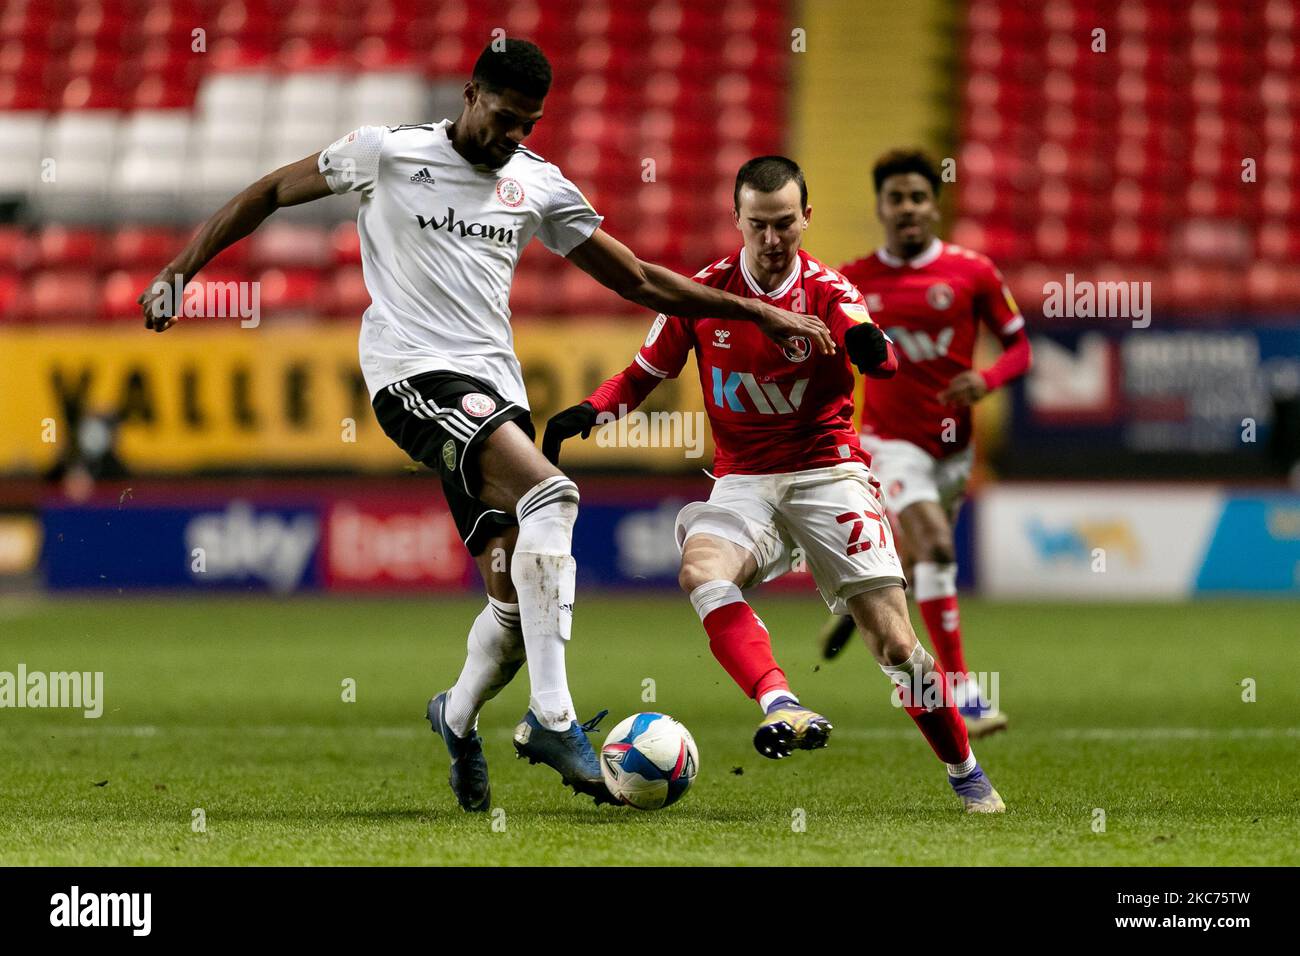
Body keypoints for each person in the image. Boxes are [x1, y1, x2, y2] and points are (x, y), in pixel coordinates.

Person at [137, 40, 832, 812]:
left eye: (529, 124)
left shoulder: (536, 184)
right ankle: (553, 717)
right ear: (471, 94)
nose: (515, 136)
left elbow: (636, 277)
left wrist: (757, 309)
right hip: (413, 378)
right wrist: (180, 269)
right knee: (554, 497)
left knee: (509, 609)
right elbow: (269, 192)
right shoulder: (387, 155)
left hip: (494, 394)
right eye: (505, 118)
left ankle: (458, 717)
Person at [545, 156, 1006, 812]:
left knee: (897, 645)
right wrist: (592, 410)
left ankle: (965, 769)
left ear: (805, 219)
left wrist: (872, 349)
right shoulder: (703, 295)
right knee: (701, 570)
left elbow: (864, 334)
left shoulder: (827, 290)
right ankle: (779, 701)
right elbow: (642, 375)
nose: (771, 239)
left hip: (828, 473)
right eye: (758, 224)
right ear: (737, 220)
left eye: (784, 224)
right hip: (745, 482)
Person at [817, 149, 1032, 739]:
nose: (907, 208)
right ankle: (964, 691)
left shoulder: (974, 273)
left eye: (917, 197)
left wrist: (985, 380)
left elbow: (1020, 348)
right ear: (881, 207)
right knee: (937, 546)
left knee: (918, 555)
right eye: (896, 198)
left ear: (934, 205)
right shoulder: (851, 280)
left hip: (955, 449)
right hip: (889, 442)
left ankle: (858, 605)